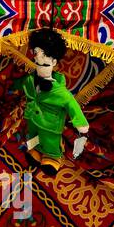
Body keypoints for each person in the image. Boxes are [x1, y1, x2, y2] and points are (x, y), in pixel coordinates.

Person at [14, 27, 89, 174]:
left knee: (49, 142)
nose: (38, 57)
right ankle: (35, 151)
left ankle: (53, 157)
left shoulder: (60, 92)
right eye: (36, 53)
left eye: (43, 54)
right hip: (32, 119)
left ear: (54, 61)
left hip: (50, 125)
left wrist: (81, 124)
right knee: (33, 136)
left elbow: (71, 104)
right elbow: (23, 84)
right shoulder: (30, 79)